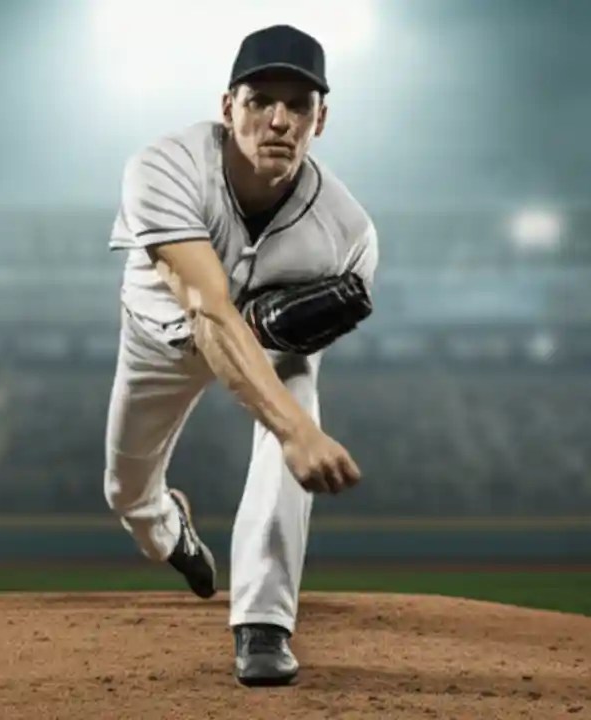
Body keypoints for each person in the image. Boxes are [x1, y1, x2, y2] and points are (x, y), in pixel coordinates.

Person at [103, 23, 379, 687]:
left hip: (267, 347)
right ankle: (167, 529)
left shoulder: (348, 233)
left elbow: (319, 328)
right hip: (160, 336)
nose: (279, 120)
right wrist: (297, 431)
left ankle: (264, 621)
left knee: (296, 399)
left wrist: (292, 417)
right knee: (126, 490)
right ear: (228, 107)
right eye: (260, 101)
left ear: (320, 120)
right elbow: (207, 310)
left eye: (299, 105)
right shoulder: (165, 167)